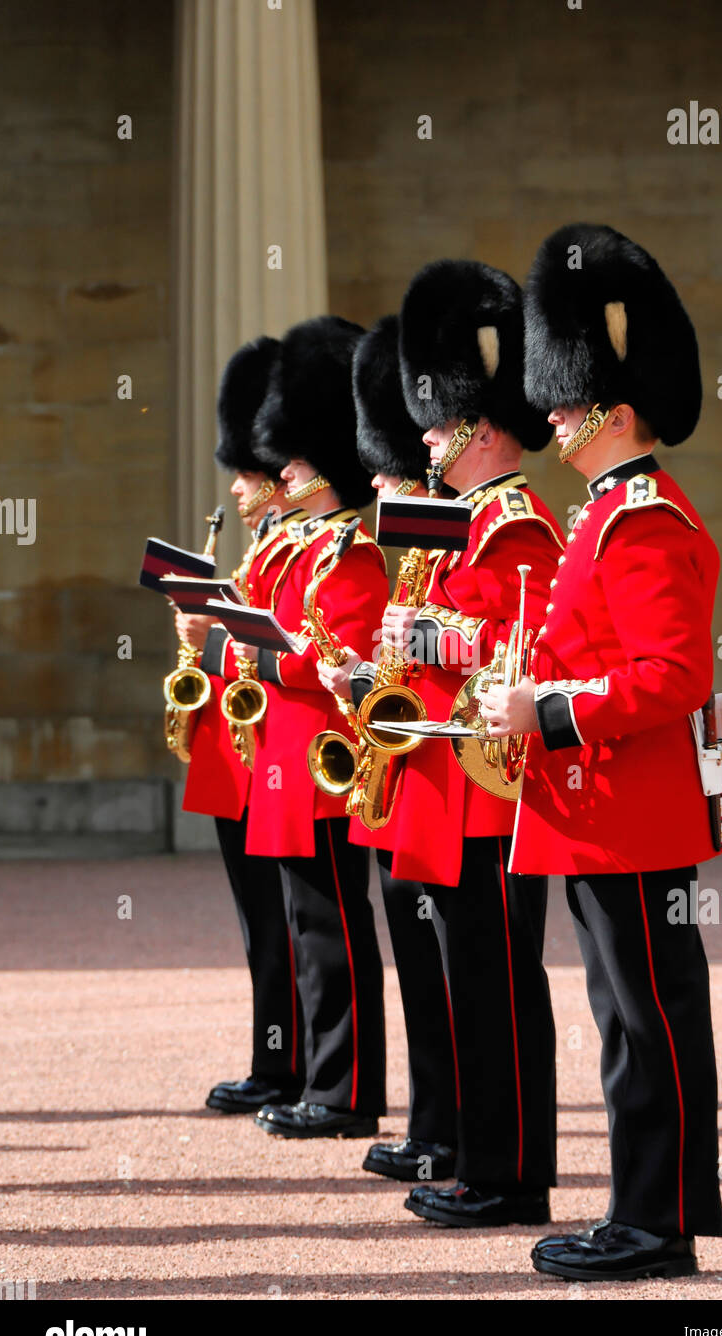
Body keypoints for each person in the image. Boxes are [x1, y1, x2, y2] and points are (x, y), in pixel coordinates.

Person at [481, 223, 722, 1280]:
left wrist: (547, 713)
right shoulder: (597, 519)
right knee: (623, 1022)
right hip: (596, 810)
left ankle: (659, 1221)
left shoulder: (643, 523)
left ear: (613, 411)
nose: (548, 412)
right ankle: (638, 1205)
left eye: (565, 399)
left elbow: (670, 676)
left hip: (627, 811)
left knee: (649, 1022)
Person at [346, 262, 565, 1227]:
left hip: (491, 791)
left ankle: (509, 1173)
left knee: (500, 987)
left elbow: (523, 646)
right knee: (469, 983)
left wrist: (422, 638)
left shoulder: (515, 526)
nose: (427, 439)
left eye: (438, 425)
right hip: (446, 786)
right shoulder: (456, 527)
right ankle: (482, 1156)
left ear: (480, 429)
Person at [234, 316, 390, 1140]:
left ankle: (346, 1090)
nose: (279, 470)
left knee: (333, 927)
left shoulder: (348, 556)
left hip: (320, 767)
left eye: (291, 458)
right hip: (282, 762)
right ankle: (321, 1081)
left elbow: (329, 655)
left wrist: (263, 659)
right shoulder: (298, 550)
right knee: (306, 927)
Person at [318, 314, 459, 1183]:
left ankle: (456, 1134)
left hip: (448, 781)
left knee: (452, 979)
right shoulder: (410, 535)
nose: (372, 477)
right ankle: (433, 1121)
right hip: (404, 774)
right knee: (423, 970)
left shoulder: (443, 526)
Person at [174, 337, 306, 1115]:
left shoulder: (299, 547)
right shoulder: (262, 546)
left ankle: (288, 1062)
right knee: (260, 923)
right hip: (238, 744)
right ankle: (272, 1054)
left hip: (274, 753)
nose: (239, 485)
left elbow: (280, 648)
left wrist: (215, 633)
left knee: (284, 920)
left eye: (249, 473)